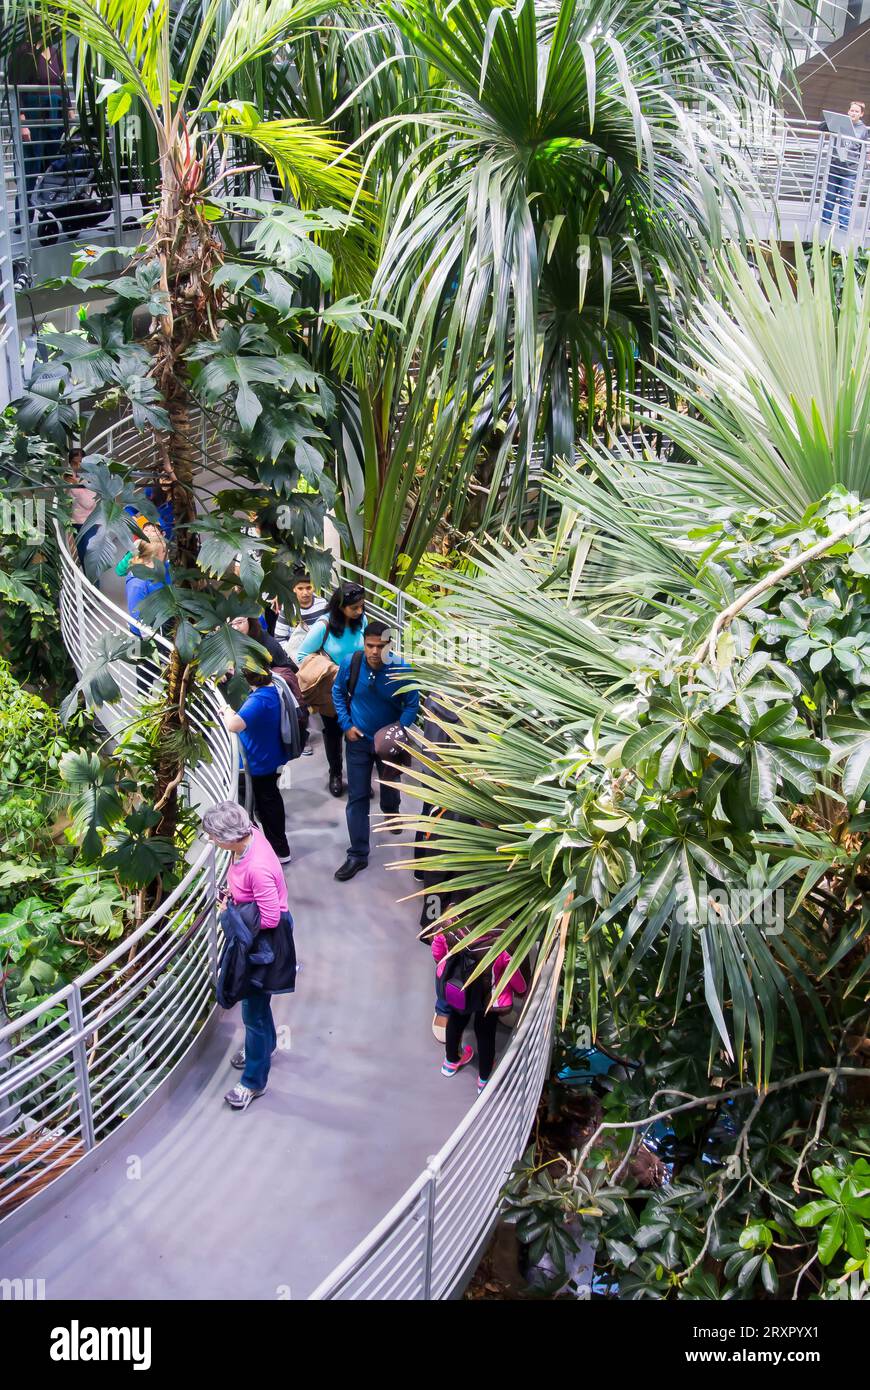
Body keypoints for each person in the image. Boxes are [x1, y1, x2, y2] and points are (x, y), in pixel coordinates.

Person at [202, 802, 296, 1111]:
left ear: (229, 837)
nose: (212, 841)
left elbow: (269, 918)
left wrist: (231, 913)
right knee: (258, 1004)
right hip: (260, 936)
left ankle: (254, 1083)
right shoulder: (249, 836)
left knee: (252, 1014)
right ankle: (265, 1047)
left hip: (266, 943)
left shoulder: (256, 868)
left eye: (214, 836)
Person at [332, 619, 420, 881]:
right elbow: (337, 692)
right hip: (358, 741)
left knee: (390, 784)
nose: (373, 652)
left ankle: (391, 811)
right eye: (370, 645)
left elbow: (412, 705)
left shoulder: (402, 669)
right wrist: (346, 724)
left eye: (380, 647)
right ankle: (357, 854)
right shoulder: (352, 662)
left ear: (389, 646)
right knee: (357, 797)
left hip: (388, 744)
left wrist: (396, 732)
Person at [430, 924, 527, 1094]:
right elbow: (516, 976)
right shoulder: (503, 936)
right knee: (485, 1033)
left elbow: (438, 948)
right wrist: (521, 991)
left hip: (459, 987)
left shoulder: (451, 921)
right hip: (488, 996)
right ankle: (484, 1078)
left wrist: (443, 966)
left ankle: (451, 1062)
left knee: (456, 1020)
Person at [296, 582, 367, 796]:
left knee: (357, 734)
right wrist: (329, 669)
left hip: (357, 689)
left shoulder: (361, 621)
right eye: (354, 608)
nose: (360, 611)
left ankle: (357, 778)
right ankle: (335, 774)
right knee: (334, 733)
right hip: (333, 691)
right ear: (340, 607)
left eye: (362, 606)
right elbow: (301, 656)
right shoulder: (323, 626)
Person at [217, 668, 292, 864]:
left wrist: (226, 711)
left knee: (251, 808)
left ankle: (263, 852)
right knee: (269, 803)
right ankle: (278, 849)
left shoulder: (259, 700)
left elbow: (234, 725)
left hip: (255, 765)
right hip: (268, 759)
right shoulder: (273, 688)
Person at [821, 100, 869, 233]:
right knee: (830, 197)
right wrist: (832, 121)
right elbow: (821, 128)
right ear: (848, 111)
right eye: (852, 110)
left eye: (856, 111)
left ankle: (843, 228)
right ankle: (824, 222)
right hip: (835, 166)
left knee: (845, 200)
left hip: (850, 170)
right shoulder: (840, 123)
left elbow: (864, 151)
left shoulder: (863, 130)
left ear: (861, 114)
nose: (853, 113)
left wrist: (862, 169)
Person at [274, 572, 329, 664]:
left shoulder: (323, 604)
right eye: (300, 588)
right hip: (295, 656)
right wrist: (294, 656)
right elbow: (279, 638)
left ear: (314, 587)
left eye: (308, 588)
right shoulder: (288, 608)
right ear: (294, 589)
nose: (305, 593)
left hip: (321, 654)